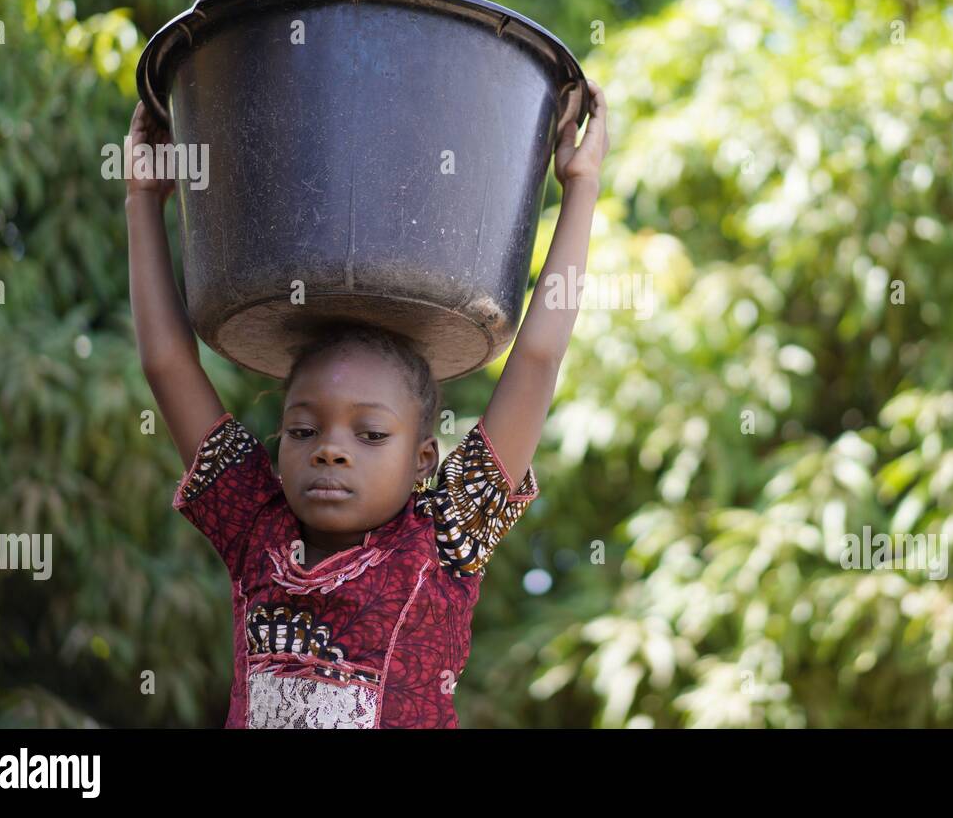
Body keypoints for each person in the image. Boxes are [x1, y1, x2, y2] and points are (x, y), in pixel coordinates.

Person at [124, 80, 608, 727]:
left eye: (371, 434)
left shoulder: (444, 540)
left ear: (422, 459)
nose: (329, 448)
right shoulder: (253, 530)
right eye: (302, 430)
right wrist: (142, 200)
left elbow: (538, 359)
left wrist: (580, 185)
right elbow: (167, 364)